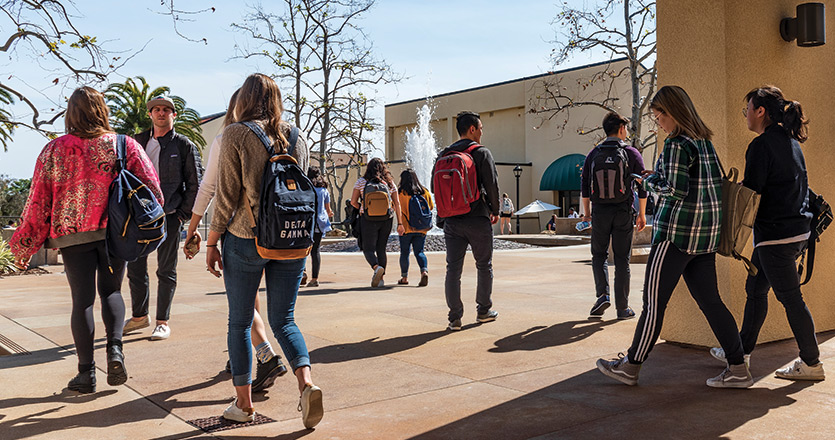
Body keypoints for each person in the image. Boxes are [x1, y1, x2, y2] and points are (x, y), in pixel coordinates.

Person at [596, 85, 752, 388]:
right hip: (704, 238)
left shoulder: (677, 145)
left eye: (659, 117)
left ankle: (631, 365)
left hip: (675, 236)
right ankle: (738, 367)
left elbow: (675, 190)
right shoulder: (705, 143)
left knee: (654, 304)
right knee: (712, 302)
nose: (659, 123)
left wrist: (649, 180)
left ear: (672, 113)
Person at [10, 87, 163, 393]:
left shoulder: (53, 149)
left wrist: (24, 244)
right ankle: (115, 351)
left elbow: (38, 200)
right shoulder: (124, 145)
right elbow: (152, 190)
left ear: (71, 114)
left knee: (82, 300)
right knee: (111, 291)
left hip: (72, 235)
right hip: (114, 234)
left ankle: (86, 374)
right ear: (102, 111)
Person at [205, 73, 322, 428]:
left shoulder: (237, 133)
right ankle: (307, 383)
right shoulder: (296, 135)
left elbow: (226, 197)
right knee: (284, 319)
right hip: (291, 239)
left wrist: (212, 241)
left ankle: (244, 404)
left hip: (246, 237)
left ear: (244, 98)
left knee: (240, 321)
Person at [710, 86, 824, 380]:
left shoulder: (761, 146)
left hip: (777, 237)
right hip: (795, 233)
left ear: (761, 111)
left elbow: (752, 193)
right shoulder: (790, 142)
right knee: (756, 289)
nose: (745, 115)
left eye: (747, 108)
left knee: (791, 298)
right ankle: (741, 351)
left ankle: (811, 363)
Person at [182, 89, 288, 392]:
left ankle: (264, 354)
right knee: (255, 301)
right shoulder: (282, 135)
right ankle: (247, 354)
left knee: (239, 308)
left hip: (240, 232)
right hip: (280, 234)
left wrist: (196, 230)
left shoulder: (228, 137)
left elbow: (210, 188)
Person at [124, 95, 203, 341]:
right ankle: (139, 316)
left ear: (173, 115)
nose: (160, 113)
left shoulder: (183, 145)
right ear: (150, 114)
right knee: (135, 268)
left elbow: (195, 183)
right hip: (139, 217)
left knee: (166, 269)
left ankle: (162, 322)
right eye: (156, 109)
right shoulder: (135, 142)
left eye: (166, 110)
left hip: (168, 215)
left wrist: (182, 215)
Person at [433, 111, 500, 331]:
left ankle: (454, 317)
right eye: (480, 128)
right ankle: (483, 311)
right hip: (477, 216)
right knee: (484, 265)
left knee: (453, 269)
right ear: (472, 129)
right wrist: (495, 210)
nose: (482, 132)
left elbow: (436, 189)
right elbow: (491, 185)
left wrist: (443, 217)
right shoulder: (481, 153)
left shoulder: (443, 155)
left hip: (452, 220)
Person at [581, 112, 647, 320]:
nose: (626, 132)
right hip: (623, 211)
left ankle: (602, 295)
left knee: (599, 255)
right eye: (625, 128)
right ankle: (622, 308)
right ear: (620, 128)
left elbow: (584, 186)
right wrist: (642, 214)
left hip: (600, 211)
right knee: (621, 260)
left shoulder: (594, 154)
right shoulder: (631, 153)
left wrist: (587, 214)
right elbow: (642, 185)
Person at [350, 158, 403, 288]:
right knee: (381, 249)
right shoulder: (389, 183)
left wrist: (362, 208)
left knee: (368, 249)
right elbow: (397, 203)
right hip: (386, 219)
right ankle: (381, 279)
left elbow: (353, 202)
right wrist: (400, 223)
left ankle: (376, 267)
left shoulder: (361, 182)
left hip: (368, 219)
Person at [397, 168, 434, 286]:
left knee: (405, 253)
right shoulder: (425, 192)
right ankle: (424, 271)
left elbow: (395, 208)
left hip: (406, 228)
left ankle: (404, 278)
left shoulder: (400, 193)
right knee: (419, 252)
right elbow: (431, 207)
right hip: (421, 228)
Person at [305, 166, 334, 288]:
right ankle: (314, 278)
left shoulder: (307, 188)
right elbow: (328, 209)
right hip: (320, 223)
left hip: (307, 223)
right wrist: (330, 214)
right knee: (315, 250)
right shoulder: (324, 190)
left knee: (303, 249)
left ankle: (302, 273)